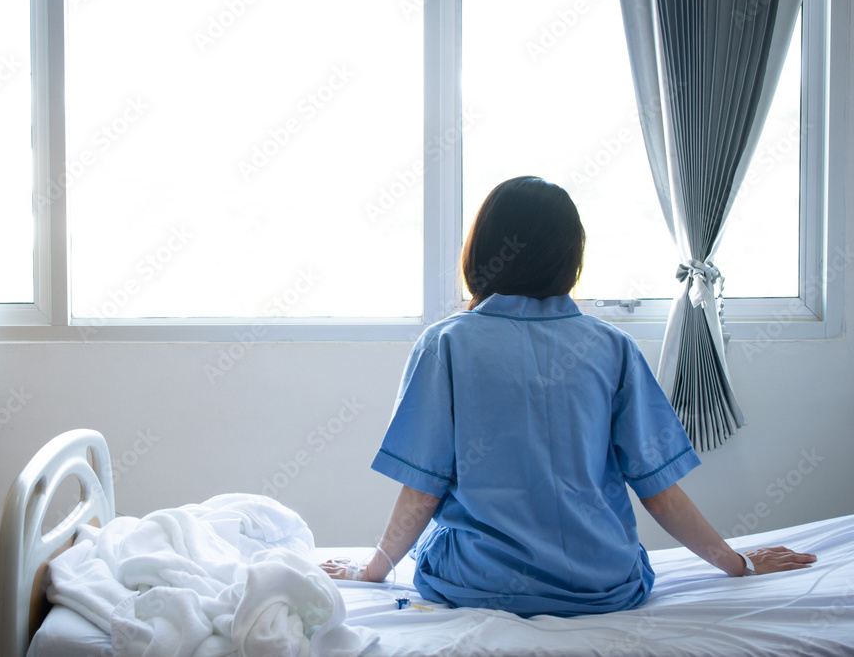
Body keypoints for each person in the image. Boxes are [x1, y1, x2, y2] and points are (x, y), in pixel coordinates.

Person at [321, 176, 815, 617]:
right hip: (604, 585)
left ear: (482, 251)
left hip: (476, 583)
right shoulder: (612, 347)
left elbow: (423, 490)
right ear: (570, 259)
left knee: (443, 538)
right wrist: (738, 563)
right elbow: (659, 493)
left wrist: (372, 571)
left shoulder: (446, 343)